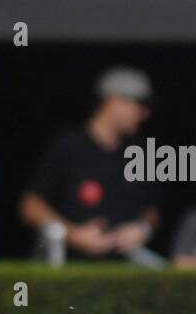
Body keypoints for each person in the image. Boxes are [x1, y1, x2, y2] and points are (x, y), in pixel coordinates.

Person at [19, 66, 160, 261]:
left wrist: (143, 230)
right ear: (112, 100)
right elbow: (30, 206)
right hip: (72, 267)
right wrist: (73, 234)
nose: (144, 114)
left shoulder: (141, 151)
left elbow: (152, 210)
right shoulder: (69, 147)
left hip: (125, 270)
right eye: (139, 104)